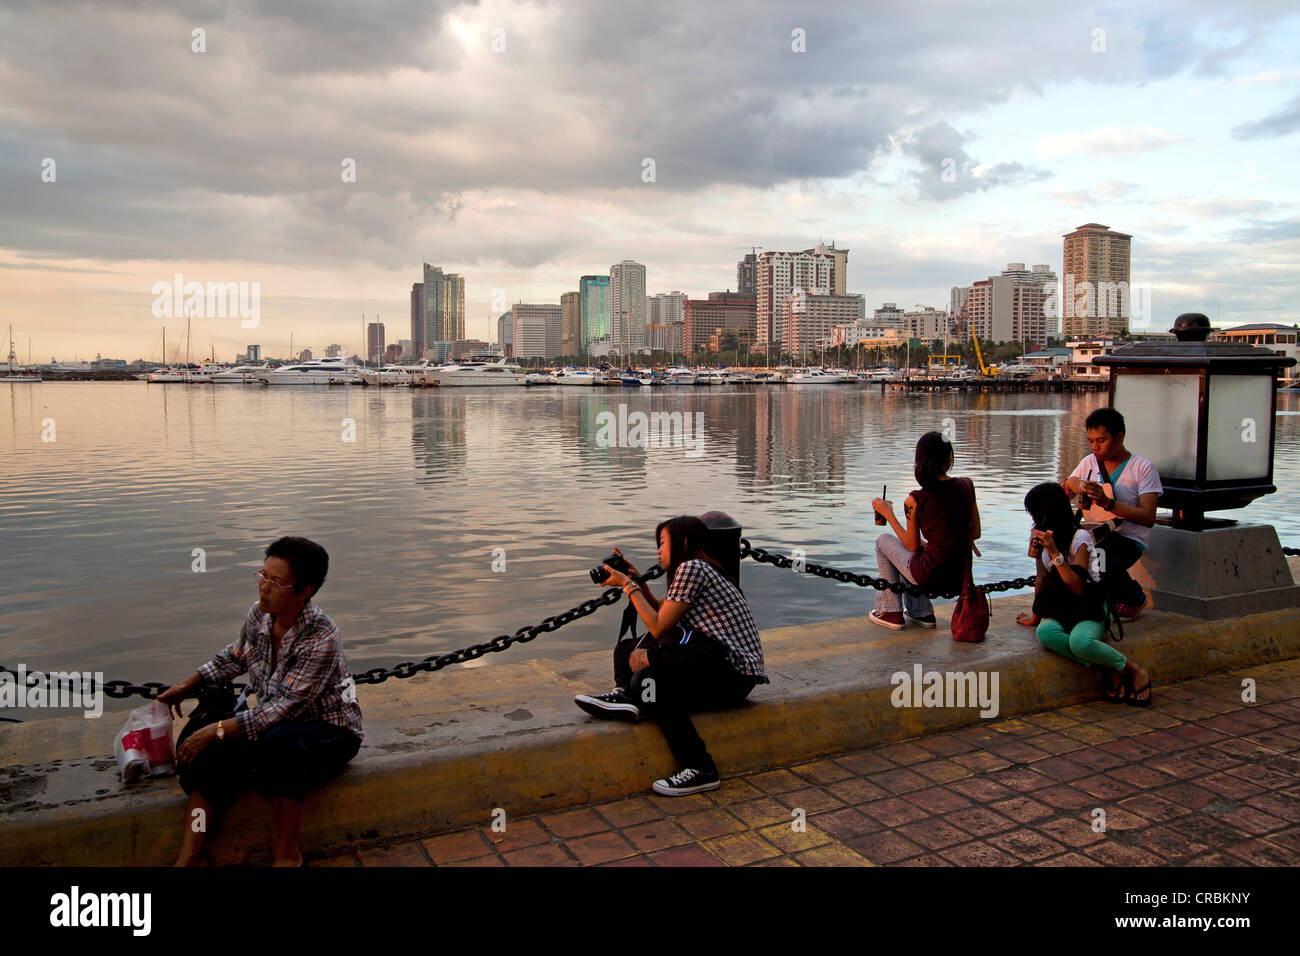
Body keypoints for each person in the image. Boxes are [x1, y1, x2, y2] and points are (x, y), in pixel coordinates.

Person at [157, 536, 363, 866]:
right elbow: (235, 656)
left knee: (278, 741)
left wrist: (214, 730)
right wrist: (187, 685)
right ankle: (188, 859)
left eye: (275, 582)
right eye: (262, 576)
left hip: (329, 733)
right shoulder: (260, 615)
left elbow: (283, 711)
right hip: (271, 728)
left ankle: (286, 853)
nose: (263, 588)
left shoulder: (322, 637)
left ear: (304, 591)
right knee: (210, 758)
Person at [573, 515, 768, 796]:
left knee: (653, 682)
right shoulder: (698, 568)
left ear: (684, 542)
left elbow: (657, 626)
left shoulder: (692, 568)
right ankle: (626, 696)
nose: (658, 551)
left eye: (662, 543)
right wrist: (636, 580)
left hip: (733, 674)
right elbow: (661, 611)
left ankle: (701, 769)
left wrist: (628, 586)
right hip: (711, 662)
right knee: (628, 649)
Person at [1023, 483, 1152, 706]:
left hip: (1089, 606)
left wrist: (1054, 553)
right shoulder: (1045, 537)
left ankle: (1134, 669)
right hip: (1060, 606)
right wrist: (1035, 616)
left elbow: (1078, 587)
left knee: (1080, 642)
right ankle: (1110, 669)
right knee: (1046, 634)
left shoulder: (1079, 537)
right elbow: (1041, 579)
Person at [869, 431, 981, 630]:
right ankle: (921, 613)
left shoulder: (915, 500)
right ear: (948, 460)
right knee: (914, 550)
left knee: (883, 541)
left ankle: (891, 611)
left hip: (931, 576)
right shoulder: (966, 485)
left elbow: (910, 544)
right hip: (959, 577)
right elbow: (975, 533)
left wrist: (888, 514)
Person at [1061, 407, 1161, 622]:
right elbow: (1067, 489)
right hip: (1095, 533)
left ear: (1119, 437)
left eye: (1102, 440)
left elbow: (1148, 517)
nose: (1095, 447)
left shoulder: (1143, 468)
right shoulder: (1088, 463)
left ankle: (1133, 597)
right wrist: (1077, 486)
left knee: (1098, 555)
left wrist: (1108, 503)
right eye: (1091, 441)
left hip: (1129, 539)